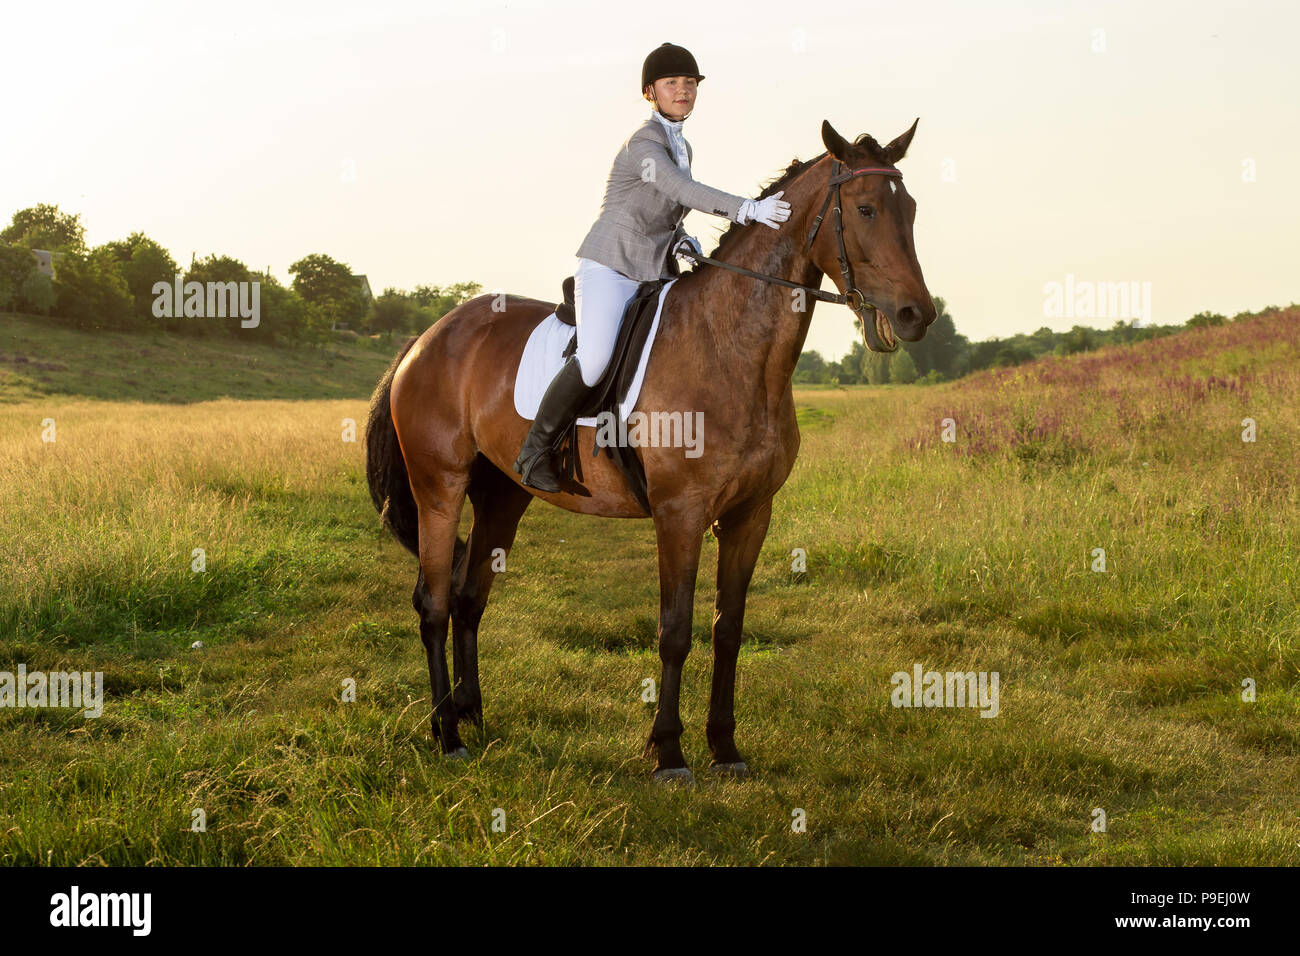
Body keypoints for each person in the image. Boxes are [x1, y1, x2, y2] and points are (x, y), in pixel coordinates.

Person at [513, 41, 792, 492]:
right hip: (609, 266)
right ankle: (534, 450)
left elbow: (666, 209)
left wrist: (681, 239)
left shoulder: (682, 145)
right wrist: (747, 209)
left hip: (653, 270)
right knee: (596, 357)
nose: (682, 90)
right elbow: (681, 189)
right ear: (650, 93)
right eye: (671, 83)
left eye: (689, 83)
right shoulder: (644, 143)